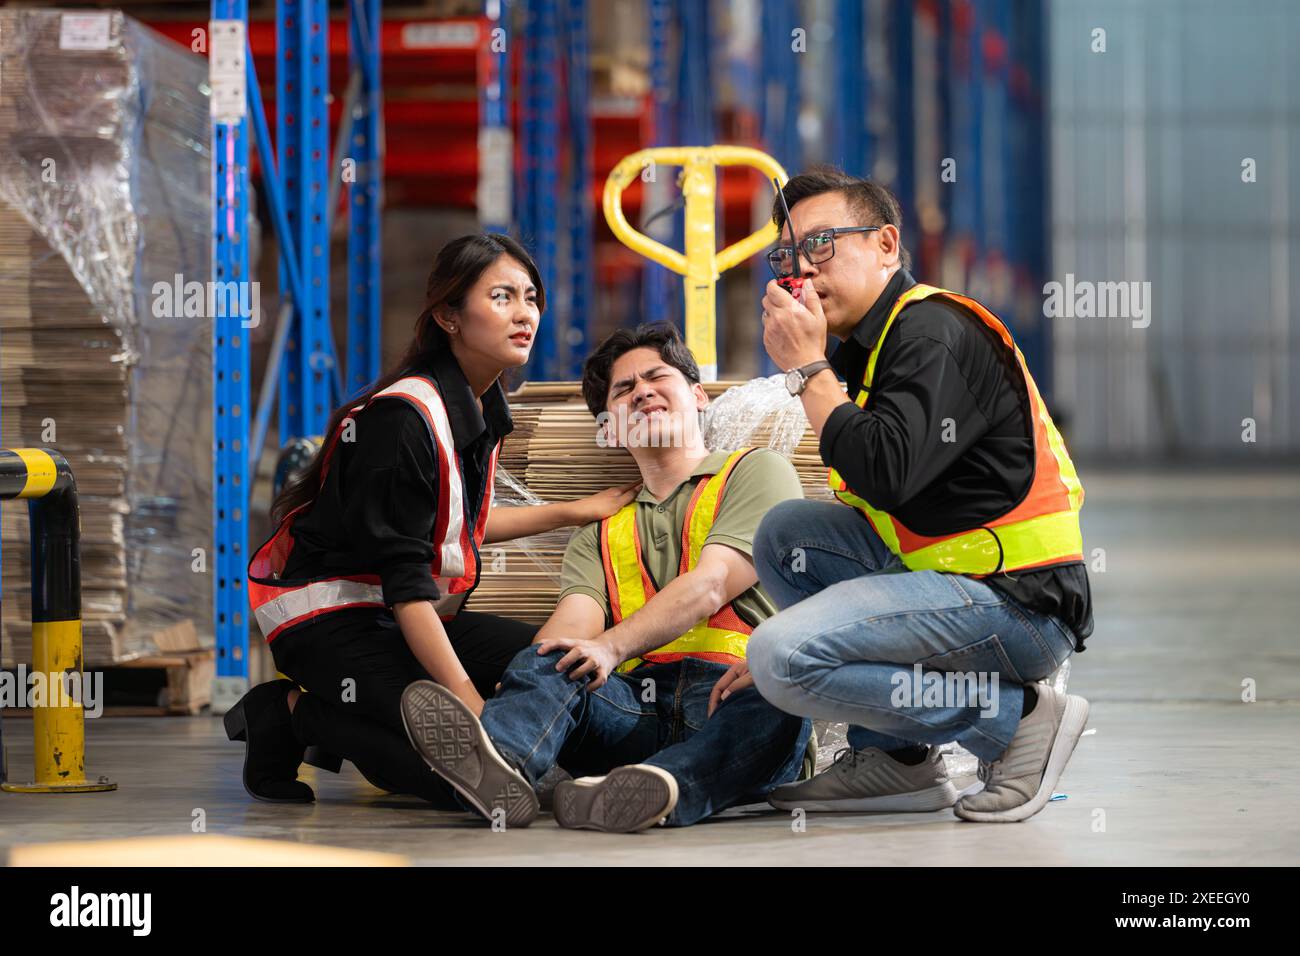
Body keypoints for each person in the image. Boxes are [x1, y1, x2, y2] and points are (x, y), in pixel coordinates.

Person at [225, 234, 637, 804]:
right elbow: (408, 588)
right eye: (501, 297)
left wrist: (574, 511)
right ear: (449, 316)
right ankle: (290, 714)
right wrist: (475, 708)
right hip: (326, 625)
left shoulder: (479, 407)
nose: (525, 314)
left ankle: (393, 727)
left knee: (553, 667)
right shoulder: (402, 420)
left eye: (531, 298)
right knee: (465, 773)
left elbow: (452, 527)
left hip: (395, 616)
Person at [747, 166, 1092, 823]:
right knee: (788, 536)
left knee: (780, 655)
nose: (804, 270)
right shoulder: (866, 350)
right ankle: (897, 759)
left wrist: (808, 369)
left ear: (886, 244)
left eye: (821, 244)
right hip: (952, 578)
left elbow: (887, 472)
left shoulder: (931, 330)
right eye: (787, 257)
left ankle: (1017, 720)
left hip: (1017, 601)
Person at [397, 324, 811, 831]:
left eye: (657, 377)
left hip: (732, 698)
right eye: (624, 389)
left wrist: (610, 648)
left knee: (779, 689)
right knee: (549, 657)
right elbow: (573, 625)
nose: (642, 392)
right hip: (633, 710)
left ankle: (660, 787)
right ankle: (500, 766)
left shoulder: (755, 471)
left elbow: (711, 585)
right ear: (610, 427)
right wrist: (532, 679)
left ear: (699, 396)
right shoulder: (600, 531)